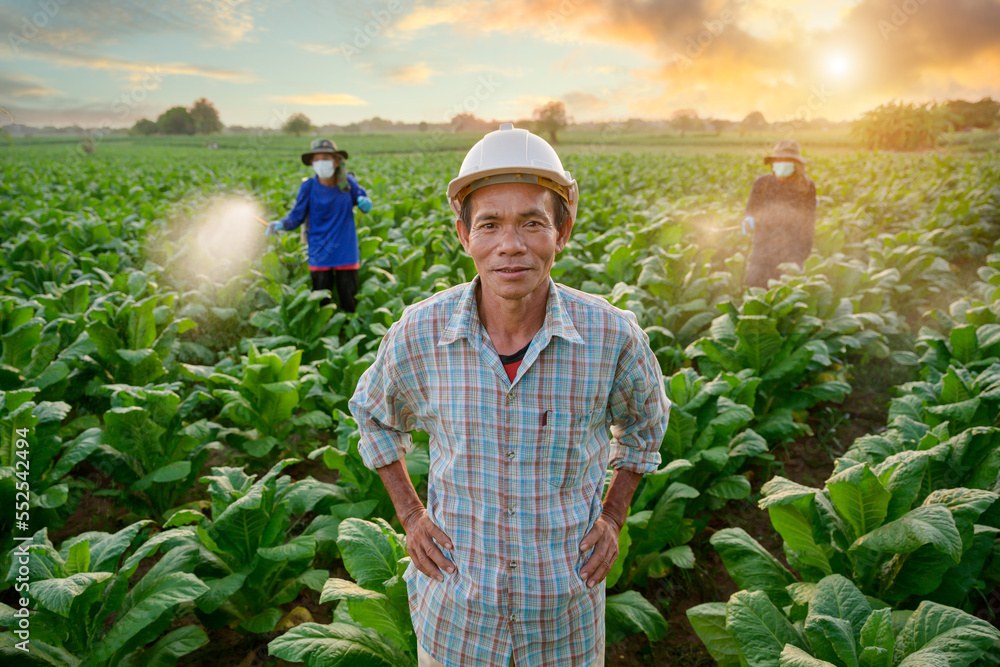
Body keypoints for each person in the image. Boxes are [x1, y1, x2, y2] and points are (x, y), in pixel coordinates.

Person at [349, 124, 671, 667]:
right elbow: (373, 416)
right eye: (490, 224)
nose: (511, 246)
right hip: (457, 618)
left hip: (561, 620)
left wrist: (614, 518)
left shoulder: (611, 336)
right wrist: (410, 515)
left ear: (561, 231)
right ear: (463, 235)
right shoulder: (420, 333)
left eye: (532, 223)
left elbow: (646, 424)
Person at [266, 138, 373, 312]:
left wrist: (364, 202)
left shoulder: (347, 184)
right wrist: (281, 224)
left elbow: (363, 201)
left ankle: (349, 333)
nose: (321, 162)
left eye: (326, 158)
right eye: (317, 159)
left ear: (336, 161)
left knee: (349, 299)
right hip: (319, 251)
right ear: (312, 163)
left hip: (345, 250)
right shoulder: (308, 187)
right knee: (321, 301)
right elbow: (296, 216)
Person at [741, 139, 817, 288]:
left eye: (787, 161)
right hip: (762, 249)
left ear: (796, 165)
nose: (782, 164)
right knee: (754, 289)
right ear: (773, 163)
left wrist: (802, 256)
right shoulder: (762, 184)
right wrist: (748, 219)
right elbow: (750, 210)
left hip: (790, 251)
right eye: (779, 160)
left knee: (784, 294)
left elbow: (808, 223)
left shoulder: (806, 186)